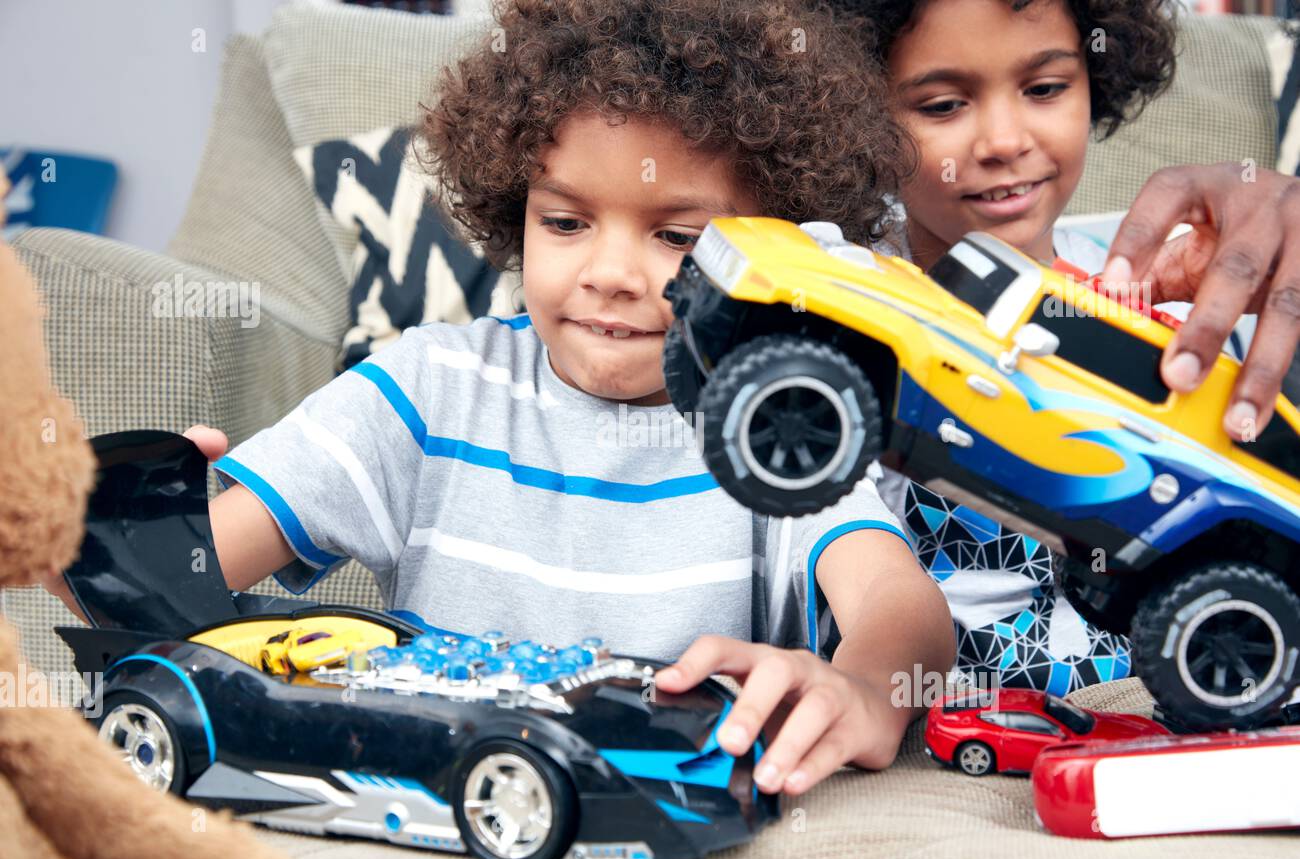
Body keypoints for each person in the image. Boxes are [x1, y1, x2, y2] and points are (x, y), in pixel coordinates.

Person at [47, 0, 954, 799]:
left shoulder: (778, 423)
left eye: (677, 235)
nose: (607, 274)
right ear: (511, 203)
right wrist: (103, 547)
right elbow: (180, 585)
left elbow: (897, 603)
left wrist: (867, 690)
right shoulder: (428, 388)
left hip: (656, 799)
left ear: (775, 245)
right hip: (434, 795)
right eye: (564, 222)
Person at [837, 0, 1300, 696]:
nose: (1003, 139)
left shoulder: (1180, 283)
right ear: (858, 111)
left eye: (1045, 88)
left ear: (1097, 75)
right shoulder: (852, 300)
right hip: (951, 713)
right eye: (942, 104)